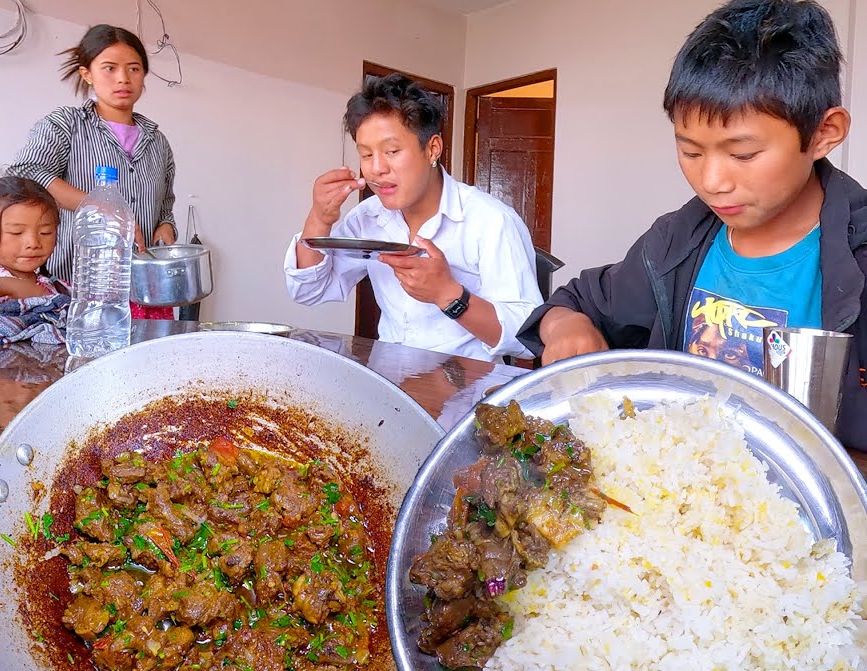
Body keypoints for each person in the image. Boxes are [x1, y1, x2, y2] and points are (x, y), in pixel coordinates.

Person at [517, 0, 866, 451]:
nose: (712, 182)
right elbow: (573, 301)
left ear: (823, 133)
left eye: (743, 155)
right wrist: (564, 327)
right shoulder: (674, 243)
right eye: (691, 152)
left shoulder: (857, 254)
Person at [284, 73, 542, 361]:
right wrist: (320, 217)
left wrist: (449, 295)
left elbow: (527, 338)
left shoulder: (492, 221)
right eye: (366, 155)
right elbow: (309, 292)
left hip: (467, 388)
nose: (376, 169)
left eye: (392, 151)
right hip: (391, 380)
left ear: (432, 149)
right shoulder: (367, 217)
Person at [5, 24, 176, 319]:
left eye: (134, 69)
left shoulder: (157, 141)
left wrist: (166, 227)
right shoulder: (66, 125)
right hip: (76, 289)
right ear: (87, 74)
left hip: (143, 291)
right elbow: (27, 172)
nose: (123, 78)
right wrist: (101, 208)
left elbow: (165, 206)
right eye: (109, 68)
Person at [0, 176, 60, 309]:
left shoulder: (56, 286)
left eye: (45, 232)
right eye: (16, 232)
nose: (33, 243)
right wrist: (9, 286)